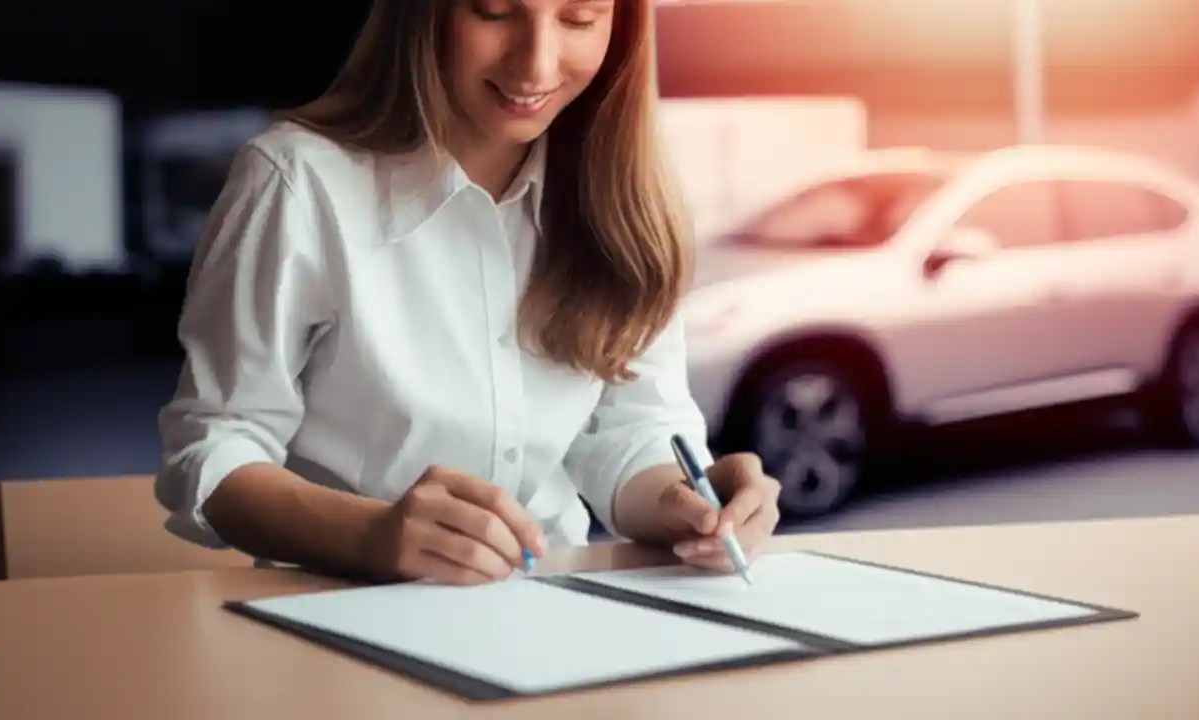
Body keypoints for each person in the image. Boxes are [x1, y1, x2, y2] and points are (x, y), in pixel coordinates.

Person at [154, 0, 782, 586]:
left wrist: (688, 504)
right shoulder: (296, 183)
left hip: (559, 613)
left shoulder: (626, 200)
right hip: (338, 611)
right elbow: (212, 451)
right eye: (494, 11)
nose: (536, 64)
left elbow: (632, 432)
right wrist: (370, 536)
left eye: (580, 18)